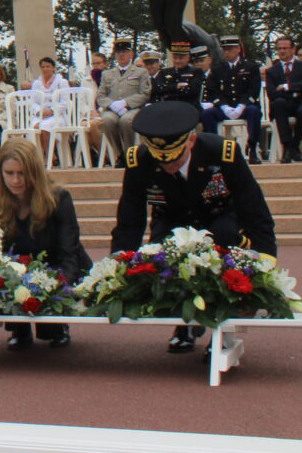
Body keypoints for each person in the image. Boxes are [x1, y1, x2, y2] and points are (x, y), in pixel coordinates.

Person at [112, 101, 276, 353]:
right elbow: (130, 217)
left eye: (176, 159)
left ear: (190, 141)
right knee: (161, 258)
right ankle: (183, 323)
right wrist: (120, 260)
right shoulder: (139, 160)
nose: (169, 166)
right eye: (163, 162)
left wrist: (266, 259)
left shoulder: (223, 153)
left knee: (225, 259)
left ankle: (221, 327)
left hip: (219, 218)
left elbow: (253, 208)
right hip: (172, 219)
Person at [0, 138, 91, 350]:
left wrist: (61, 285)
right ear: (0, 173)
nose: (16, 180)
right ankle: (19, 328)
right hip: (13, 268)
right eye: (9, 173)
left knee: (50, 328)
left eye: (22, 173)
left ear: (35, 171)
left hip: (54, 263)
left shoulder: (58, 197)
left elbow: (69, 250)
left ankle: (56, 324)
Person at [201, 36, 264, 161]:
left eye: (229, 49)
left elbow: (254, 90)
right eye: (224, 49)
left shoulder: (250, 67)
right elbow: (213, 90)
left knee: (255, 112)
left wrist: (241, 105)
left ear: (238, 49)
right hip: (226, 107)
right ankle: (213, 149)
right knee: (207, 114)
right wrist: (223, 106)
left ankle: (252, 148)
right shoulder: (218, 69)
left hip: (244, 107)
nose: (226, 52)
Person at [94, 41, 150, 155]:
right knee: (107, 121)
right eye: (118, 52)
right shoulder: (107, 74)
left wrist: (125, 102)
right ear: (115, 55)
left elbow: (145, 94)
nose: (121, 55)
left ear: (131, 54)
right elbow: (100, 96)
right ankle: (118, 154)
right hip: (112, 109)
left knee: (126, 121)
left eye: (125, 52)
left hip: (132, 109)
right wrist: (112, 105)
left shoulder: (141, 72)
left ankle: (129, 152)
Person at [266, 36, 302, 162]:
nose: (282, 51)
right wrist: (295, 90)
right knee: (278, 103)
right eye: (279, 48)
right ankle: (287, 147)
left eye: (285, 48)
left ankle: (294, 145)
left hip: (301, 103)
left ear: (293, 49)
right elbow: (272, 93)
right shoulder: (272, 71)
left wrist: (286, 87)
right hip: (283, 106)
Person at [25, 57, 67, 156]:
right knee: (34, 128)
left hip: (57, 116)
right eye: (43, 67)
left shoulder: (62, 82)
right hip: (40, 115)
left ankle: (49, 155)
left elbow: (64, 102)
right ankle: (40, 156)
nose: (45, 69)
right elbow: (32, 102)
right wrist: (39, 111)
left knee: (44, 126)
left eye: (48, 67)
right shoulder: (36, 83)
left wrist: (51, 111)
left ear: (53, 68)